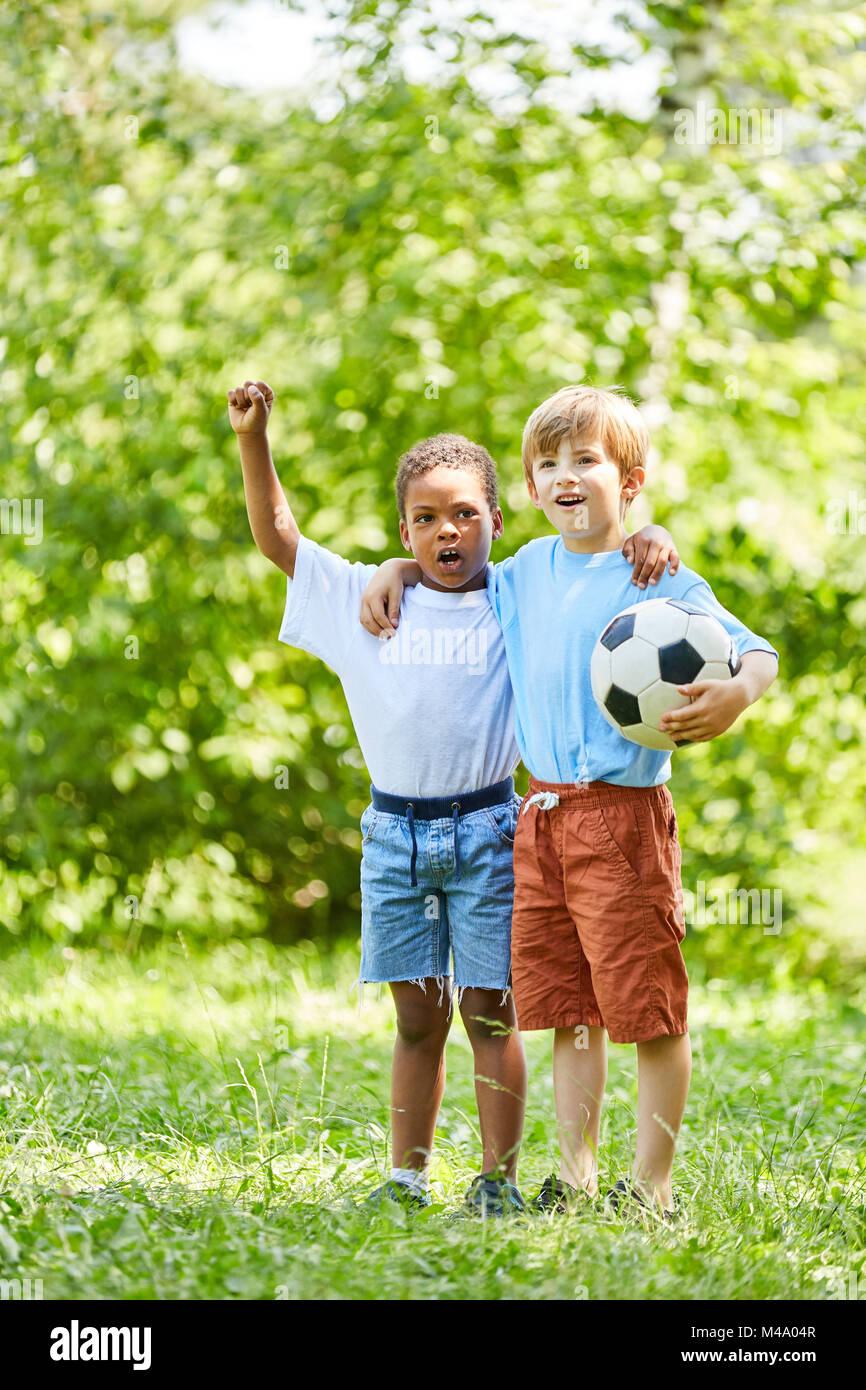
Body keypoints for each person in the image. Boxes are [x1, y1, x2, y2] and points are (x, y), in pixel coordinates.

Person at [230, 377, 678, 1216]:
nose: (447, 531)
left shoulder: (516, 595)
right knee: (415, 1017)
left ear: (498, 524)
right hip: (393, 836)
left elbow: (588, 562)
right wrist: (254, 438)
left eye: (466, 514)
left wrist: (649, 531)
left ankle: (498, 1180)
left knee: (489, 1013)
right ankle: (406, 1175)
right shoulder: (368, 600)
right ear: (403, 531)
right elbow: (279, 539)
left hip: (492, 830)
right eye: (426, 521)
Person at [360, 384, 778, 1220]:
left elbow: (753, 649)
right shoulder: (521, 577)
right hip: (539, 819)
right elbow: (457, 563)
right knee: (566, 1009)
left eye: (585, 460)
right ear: (529, 489)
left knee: (646, 1007)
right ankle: (575, 1175)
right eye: (546, 464)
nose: (564, 476)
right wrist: (395, 564)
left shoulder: (653, 573)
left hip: (622, 820)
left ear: (629, 480)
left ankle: (651, 1183)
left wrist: (737, 694)